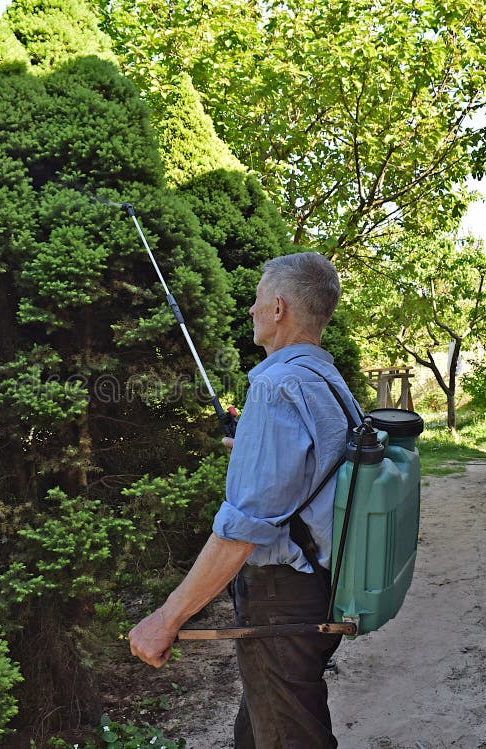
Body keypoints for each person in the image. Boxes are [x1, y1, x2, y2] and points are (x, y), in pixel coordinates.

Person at [128, 252, 360, 749]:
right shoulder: (328, 382)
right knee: (259, 732)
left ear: (277, 308)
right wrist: (255, 447)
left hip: (282, 599)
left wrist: (165, 619)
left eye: (257, 300)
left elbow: (244, 529)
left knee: (290, 738)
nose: (250, 310)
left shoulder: (278, 385)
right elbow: (312, 468)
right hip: (322, 583)